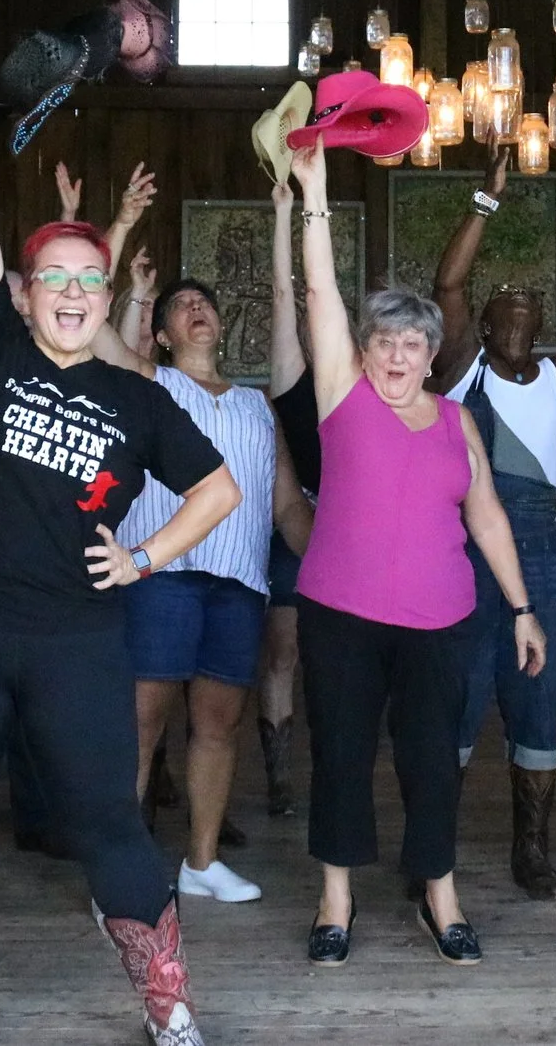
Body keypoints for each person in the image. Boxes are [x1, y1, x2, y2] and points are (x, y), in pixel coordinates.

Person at [0, 47, 244, 1046]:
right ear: (26, 286)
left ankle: (168, 1002)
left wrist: (146, 557)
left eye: (92, 277)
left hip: (75, 635)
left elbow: (219, 488)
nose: (77, 291)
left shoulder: (136, 396)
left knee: (110, 823)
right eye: (58, 276)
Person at [290, 138, 546, 968]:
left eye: (413, 346)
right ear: (364, 349)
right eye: (384, 342)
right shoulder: (342, 396)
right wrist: (315, 192)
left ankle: (442, 896)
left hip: (441, 619)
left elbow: (489, 521)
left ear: (432, 354)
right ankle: (337, 899)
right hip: (340, 615)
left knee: (433, 762)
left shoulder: (454, 420)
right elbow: (323, 289)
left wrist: (521, 606)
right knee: (341, 755)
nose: (398, 357)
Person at [427, 147, 556, 901]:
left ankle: (531, 846)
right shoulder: (461, 367)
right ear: (479, 325)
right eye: (502, 315)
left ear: (542, 326)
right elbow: (447, 280)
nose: (517, 322)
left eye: (529, 315)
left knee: (540, 698)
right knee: (458, 693)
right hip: (465, 548)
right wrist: (487, 199)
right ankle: (433, 844)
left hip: (545, 550)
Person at [105, 248, 316, 905]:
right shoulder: (150, 384)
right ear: (163, 334)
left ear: (220, 325)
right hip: (161, 574)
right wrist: (135, 290)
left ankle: (200, 861)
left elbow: (286, 505)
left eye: (206, 304)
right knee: (141, 723)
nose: (198, 309)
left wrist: (334, 565)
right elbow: (100, 342)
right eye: (182, 306)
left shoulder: (257, 406)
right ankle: (120, 872)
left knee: (218, 725)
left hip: (239, 585)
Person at [253, 174, 313, 821]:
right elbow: (280, 293)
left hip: (359, 531)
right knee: (283, 649)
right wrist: (284, 214)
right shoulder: (294, 382)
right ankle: (278, 778)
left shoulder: (370, 381)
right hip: (294, 521)